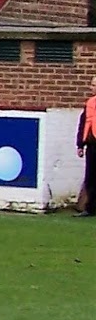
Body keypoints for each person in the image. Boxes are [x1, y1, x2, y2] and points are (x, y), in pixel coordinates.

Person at [76, 75, 96, 217]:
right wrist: (80, 144)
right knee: (90, 177)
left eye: (94, 85)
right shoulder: (89, 103)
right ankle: (90, 208)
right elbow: (83, 124)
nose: (92, 87)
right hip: (92, 145)